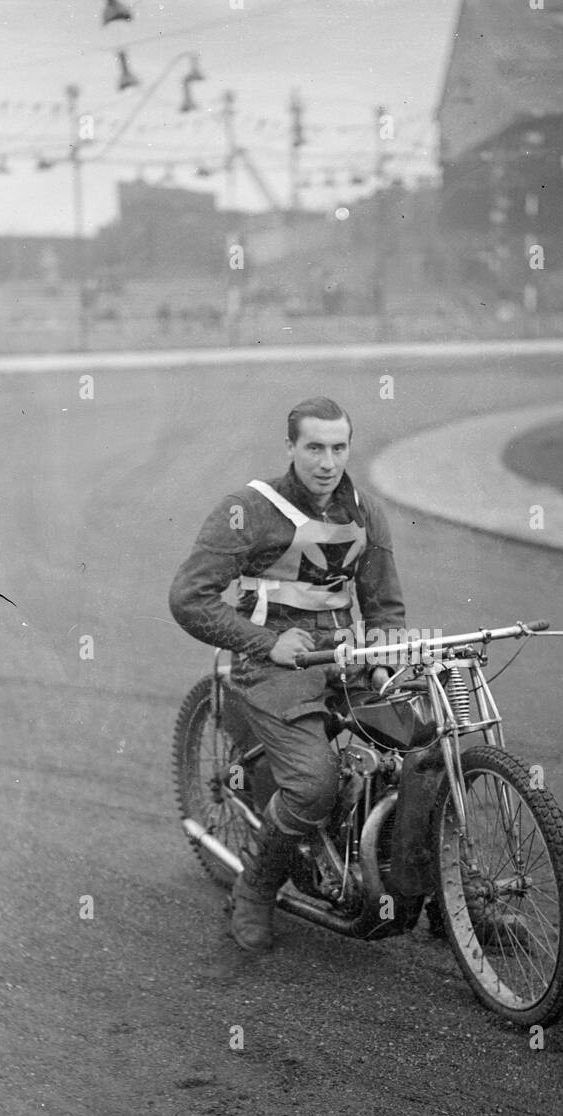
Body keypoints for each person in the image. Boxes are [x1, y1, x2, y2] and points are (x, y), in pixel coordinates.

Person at [169, 397, 406, 951]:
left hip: (342, 660)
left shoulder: (365, 512)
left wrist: (383, 649)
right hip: (268, 664)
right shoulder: (248, 510)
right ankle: (254, 889)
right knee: (313, 784)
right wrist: (267, 644)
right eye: (314, 447)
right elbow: (188, 599)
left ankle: (445, 892)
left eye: (339, 448)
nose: (328, 462)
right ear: (291, 448)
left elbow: (385, 604)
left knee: (420, 746)